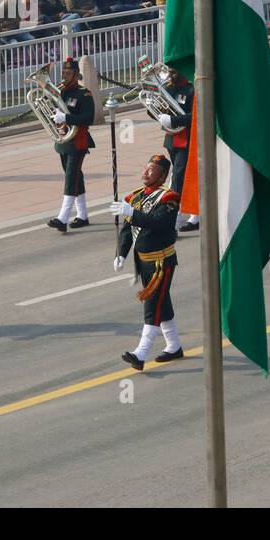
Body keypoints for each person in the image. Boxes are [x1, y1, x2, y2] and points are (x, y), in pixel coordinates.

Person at [112, 155, 184, 369]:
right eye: (145, 168)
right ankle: (174, 346)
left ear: (162, 176)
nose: (145, 173)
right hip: (143, 262)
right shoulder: (135, 197)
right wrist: (121, 254)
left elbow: (160, 222)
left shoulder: (168, 198)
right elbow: (127, 231)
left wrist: (132, 213)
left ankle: (141, 353)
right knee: (162, 302)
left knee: (152, 304)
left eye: (151, 171)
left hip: (161, 262)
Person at [47, 57, 96, 232]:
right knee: (75, 176)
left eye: (68, 73)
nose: (65, 76)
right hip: (63, 140)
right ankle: (82, 215)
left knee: (70, 176)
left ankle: (63, 218)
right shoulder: (59, 92)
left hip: (78, 141)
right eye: (63, 73)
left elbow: (89, 118)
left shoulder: (84, 94)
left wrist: (66, 118)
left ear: (76, 75)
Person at [156, 66, 195, 227]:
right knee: (183, 176)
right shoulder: (168, 88)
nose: (170, 75)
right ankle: (196, 214)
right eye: (169, 72)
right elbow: (159, 111)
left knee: (178, 176)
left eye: (173, 72)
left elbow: (196, 115)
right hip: (172, 138)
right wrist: (153, 109)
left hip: (187, 138)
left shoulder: (191, 89)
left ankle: (174, 219)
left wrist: (173, 121)